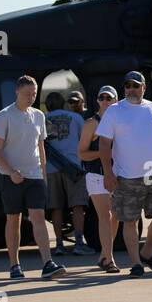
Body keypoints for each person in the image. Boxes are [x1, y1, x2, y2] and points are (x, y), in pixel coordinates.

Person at [97, 71, 152, 278]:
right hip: (127, 174)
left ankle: (147, 252)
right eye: (127, 85)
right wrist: (108, 173)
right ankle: (136, 263)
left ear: (144, 88)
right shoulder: (114, 111)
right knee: (130, 220)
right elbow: (104, 143)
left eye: (136, 85)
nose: (131, 89)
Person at [0, 75, 68, 280]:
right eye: (27, 94)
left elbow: (41, 146)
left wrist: (43, 174)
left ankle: (47, 263)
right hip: (10, 176)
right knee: (13, 220)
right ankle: (14, 265)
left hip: (34, 175)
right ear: (17, 92)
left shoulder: (38, 116)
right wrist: (11, 171)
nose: (31, 98)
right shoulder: (4, 116)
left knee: (38, 218)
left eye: (34, 94)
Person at [78, 86, 121, 272]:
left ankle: (104, 254)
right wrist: (103, 153)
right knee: (105, 215)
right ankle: (109, 259)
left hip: (117, 174)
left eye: (108, 98)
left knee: (116, 216)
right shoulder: (91, 123)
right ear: (97, 101)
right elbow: (81, 154)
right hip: (96, 175)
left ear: (115, 100)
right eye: (101, 97)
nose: (105, 101)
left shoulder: (121, 121)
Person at [43, 90, 88, 257]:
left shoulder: (42, 120)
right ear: (63, 103)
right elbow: (85, 140)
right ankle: (78, 243)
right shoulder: (76, 118)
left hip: (51, 168)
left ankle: (60, 244)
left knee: (56, 207)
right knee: (77, 206)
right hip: (73, 167)